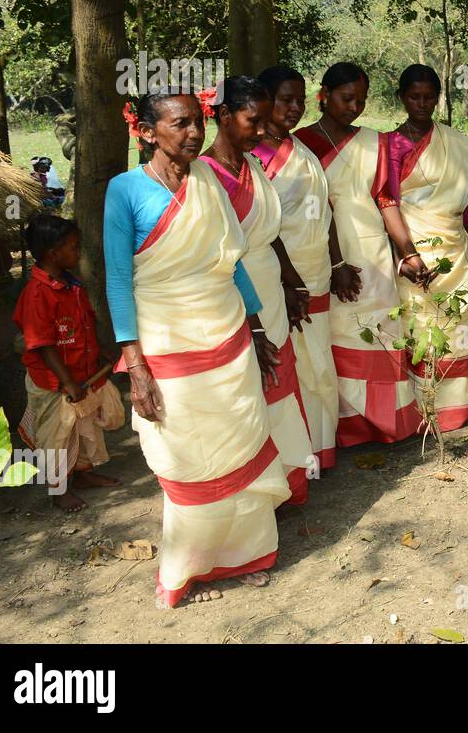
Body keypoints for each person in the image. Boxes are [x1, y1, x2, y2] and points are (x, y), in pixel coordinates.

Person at [107, 89, 290, 607]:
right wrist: (135, 365)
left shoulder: (208, 178)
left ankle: (246, 554)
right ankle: (188, 566)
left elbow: (231, 261)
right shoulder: (124, 191)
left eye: (199, 122)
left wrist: (256, 331)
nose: (193, 133)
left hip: (228, 336)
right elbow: (119, 283)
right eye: (180, 124)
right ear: (146, 132)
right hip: (167, 347)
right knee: (187, 458)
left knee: (240, 440)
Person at [199, 76, 316, 506]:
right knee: (248, 390)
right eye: (255, 121)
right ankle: (253, 496)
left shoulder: (251, 166)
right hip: (234, 297)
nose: (265, 131)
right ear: (225, 116)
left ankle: (286, 483)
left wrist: (290, 279)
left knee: (279, 385)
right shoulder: (205, 176)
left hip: (269, 286)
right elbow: (218, 256)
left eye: (267, 122)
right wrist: (253, 319)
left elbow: (271, 233)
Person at [296, 62, 418, 445]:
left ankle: (386, 421)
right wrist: (334, 264)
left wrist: (408, 252)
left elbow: (385, 201)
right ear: (324, 96)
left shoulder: (376, 143)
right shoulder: (301, 145)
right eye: (347, 98)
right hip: (326, 253)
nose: (354, 107)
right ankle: (347, 426)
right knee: (341, 332)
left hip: (372, 253)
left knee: (381, 330)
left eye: (361, 100)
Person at [384, 65, 468, 435]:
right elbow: (386, 203)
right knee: (419, 325)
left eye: (429, 97)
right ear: (402, 97)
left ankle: (458, 401)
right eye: (415, 97)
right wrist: (405, 253)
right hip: (411, 254)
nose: (422, 104)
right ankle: (423, 406)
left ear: (438, 97)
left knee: (457, 324)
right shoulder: (389, 146)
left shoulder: (457, 144)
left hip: (454, 254)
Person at [253, 64, 342, 470]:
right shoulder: (253, 156)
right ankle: (292, 459)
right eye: (285, 100)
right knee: (292, 368)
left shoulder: (300, 149)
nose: (294, 108)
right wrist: (289, 282)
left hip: (316, 270)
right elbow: (262, 228)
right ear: (264, 101)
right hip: (282, 281)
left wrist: (335, 260)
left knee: (319, 363)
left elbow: (323, 210)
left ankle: (320, 449)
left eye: (299, 100)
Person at [14, 212, 123, 512]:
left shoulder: (72, 285)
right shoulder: (38, 293)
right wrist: (67, 381)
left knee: (85, 425)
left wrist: (100, 351)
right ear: (53, 253)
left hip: (81, 374)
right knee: (58, 434)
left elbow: (85, 323)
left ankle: (83, 474)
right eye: (73, 247)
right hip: (55, 381)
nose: (78, 252)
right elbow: (43, 345)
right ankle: (58, 490)